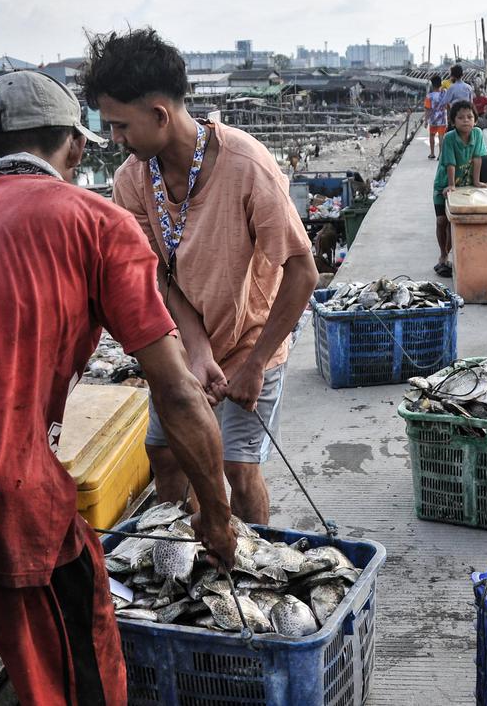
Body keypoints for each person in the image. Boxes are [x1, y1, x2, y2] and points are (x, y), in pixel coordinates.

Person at [0, 70, 237, 705]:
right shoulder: (101, 223)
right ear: (76, 147)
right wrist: (217, 518)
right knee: (77, 676)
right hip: (5, 496)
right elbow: (176, 392)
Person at [85, 28, 318, 525]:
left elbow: (303, 272)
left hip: (252, 341)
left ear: (159, 115)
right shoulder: (131, 179)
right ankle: (187, 554)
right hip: (185, 347)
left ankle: (255, 559)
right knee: (167, 457)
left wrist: (255, 364)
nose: (115, 139)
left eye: (120, 125)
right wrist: (195, 350)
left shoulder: (246, 165)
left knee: (239, 469)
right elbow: (159, 275)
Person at [432, 100, 487, 278]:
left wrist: (477, 182)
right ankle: (443, 253)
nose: (466, 120)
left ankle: (450, 253)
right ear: (453, 121)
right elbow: (450, 162)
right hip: (443, 183)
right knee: (441, 221)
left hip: (465, 184)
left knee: (453, 222)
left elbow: (478, 158)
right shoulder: (449, 137)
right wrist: (451, 185)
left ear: (475, 120)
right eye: (461, 117)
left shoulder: (477, 134)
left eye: (469, 117)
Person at [423, 74, 449, 159]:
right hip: (442, 119)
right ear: (440, 84)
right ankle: (440, 155)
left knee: (432, 135)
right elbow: (447, 105)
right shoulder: (444, 94)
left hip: (433, 119)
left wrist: (426, 121)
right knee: (441, 136)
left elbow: (427, 109)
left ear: (432, 85)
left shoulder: (429, 96)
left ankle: (432, 153)